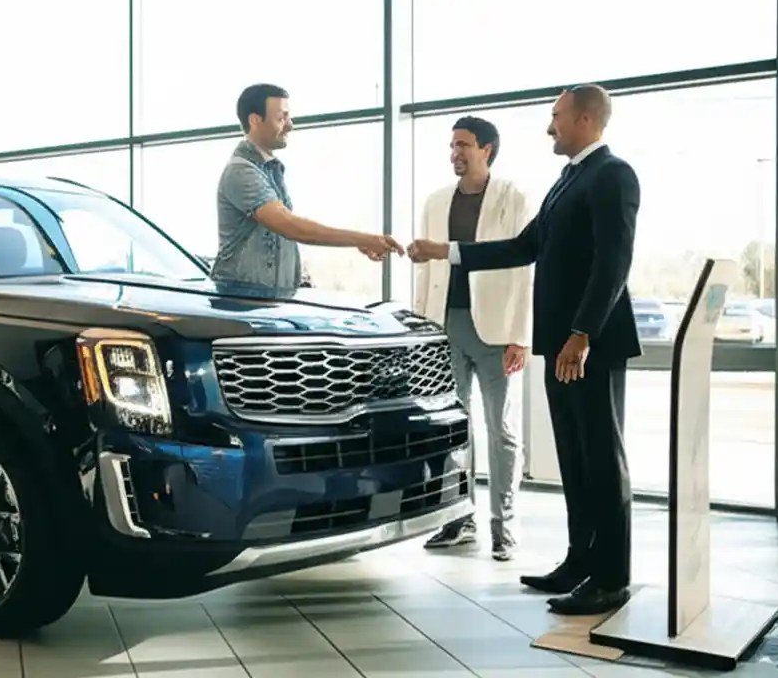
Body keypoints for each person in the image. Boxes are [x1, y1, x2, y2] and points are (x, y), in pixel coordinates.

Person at [407, 84, 641, 616]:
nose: (549, 126)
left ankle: (611, 577)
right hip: (561, 345)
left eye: (556, 116)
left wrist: (582, 334)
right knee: (575, 459)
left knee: (603, 459)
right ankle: (579, 560)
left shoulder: (613, 174)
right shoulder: (569, 179)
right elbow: (523, 247)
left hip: (590, 346)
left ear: (585, 118)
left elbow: (613, 263)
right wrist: (445, 251)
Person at [413, 116, 533, 562]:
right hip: (446, 326)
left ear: (487, 149)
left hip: (498, 330)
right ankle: (457, 521)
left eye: (463, 144)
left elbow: (523, 269)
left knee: (501, 430)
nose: (455, 153)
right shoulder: (436, 201)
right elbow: (426, 268)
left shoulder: (512, 197)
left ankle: (504, 526)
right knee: (451, 429)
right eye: (451, 146)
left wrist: (520, 335)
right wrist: (425, 328)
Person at [212, 83, 403, 289]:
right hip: (241, 303)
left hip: (268, 301)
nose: (290, 124)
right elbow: (290, 226)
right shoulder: (241, 172)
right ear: (255, 120)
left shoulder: (270, 170)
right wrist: (362, 239)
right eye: (281, 118)